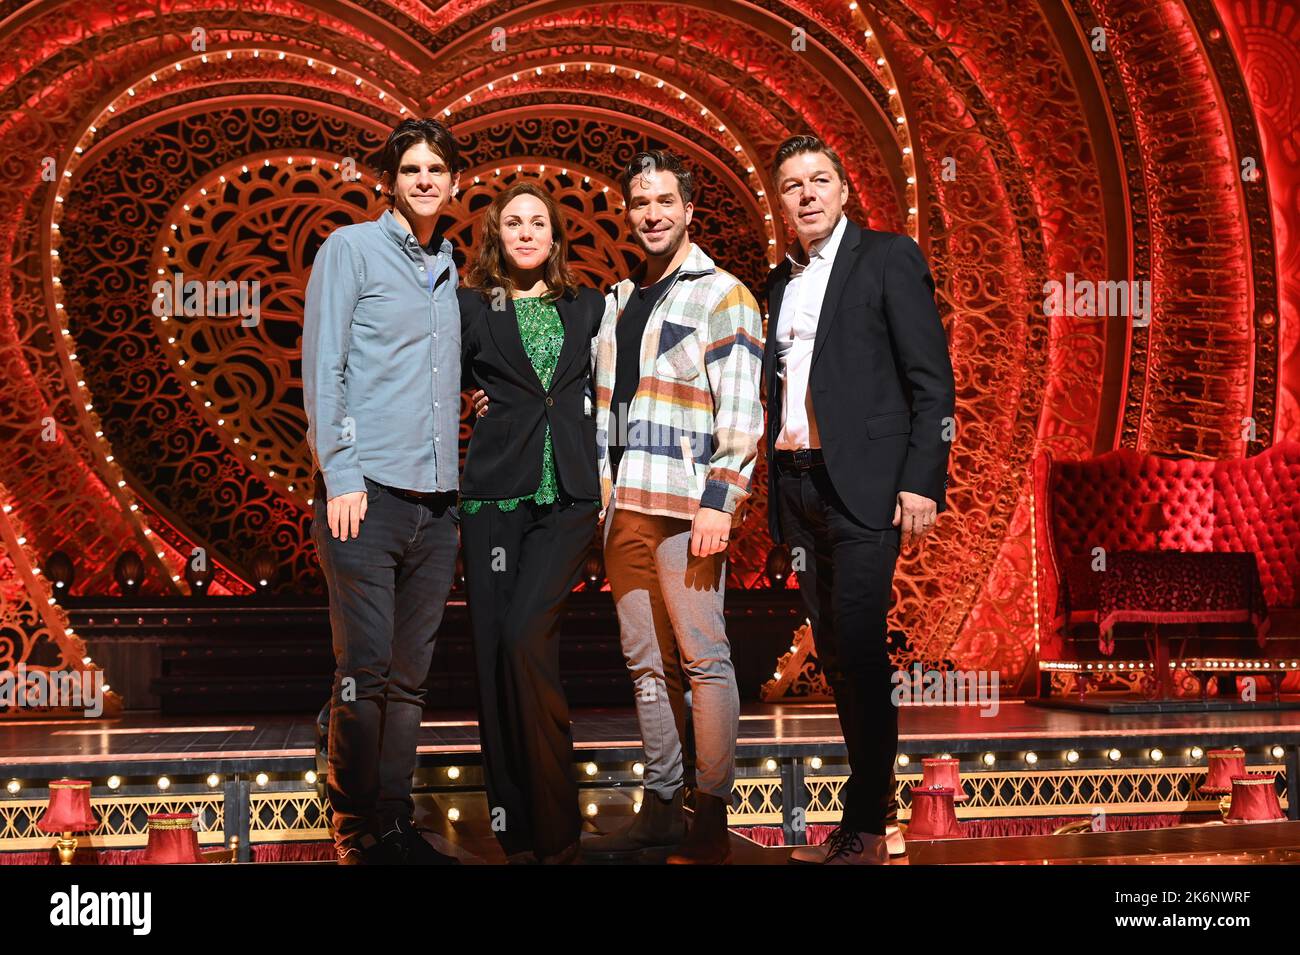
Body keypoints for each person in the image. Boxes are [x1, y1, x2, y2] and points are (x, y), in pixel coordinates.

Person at [763, 135, 955, 864]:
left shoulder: (887, 257)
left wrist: (921, 479)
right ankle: (877, 818)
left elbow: (932, 379)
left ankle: (867, 824)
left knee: (862, 645)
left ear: (843, 191)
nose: (806, 194)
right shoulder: (778, 284)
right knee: (839, 652)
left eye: (819, 180)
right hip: (800, 483)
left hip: (868, 486)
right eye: (791, 185)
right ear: (781, 202)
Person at [581, 150, 765, 865]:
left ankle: (709, 813)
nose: (651, 213)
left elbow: (743, 410)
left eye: (664, 201)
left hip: (687, 506)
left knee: (703, 658)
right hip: (623, 504)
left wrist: (723, 498)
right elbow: (600, 405)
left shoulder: (725, 294)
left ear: (690, 209)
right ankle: (661, 803)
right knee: (645, 664)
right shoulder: (619, 300)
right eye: (639, 202)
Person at [302, 117, 464, 865]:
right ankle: (352, 825)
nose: (425, 180)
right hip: (364, 494)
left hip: (438, 501)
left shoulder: (454, 265)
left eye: (436, 169)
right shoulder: (351, 249)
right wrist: (339, 471)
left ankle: (393, 820)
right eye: (411, 169)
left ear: (454, 182)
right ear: (391, 181)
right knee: (363, 668)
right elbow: (323, 365)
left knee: (410, 677)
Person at [457, 181, 604, 865]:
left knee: (524, 638)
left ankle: (560, 827)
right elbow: (432, 373)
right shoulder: (471, 307)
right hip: (494, 500)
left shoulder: (589, 304)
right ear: (496, 235)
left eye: (536, 221)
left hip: (570, 499)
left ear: (554, 234)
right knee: (496, 655)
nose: (524, 232)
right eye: (511, 222)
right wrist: (468, 393)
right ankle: (518, 829)